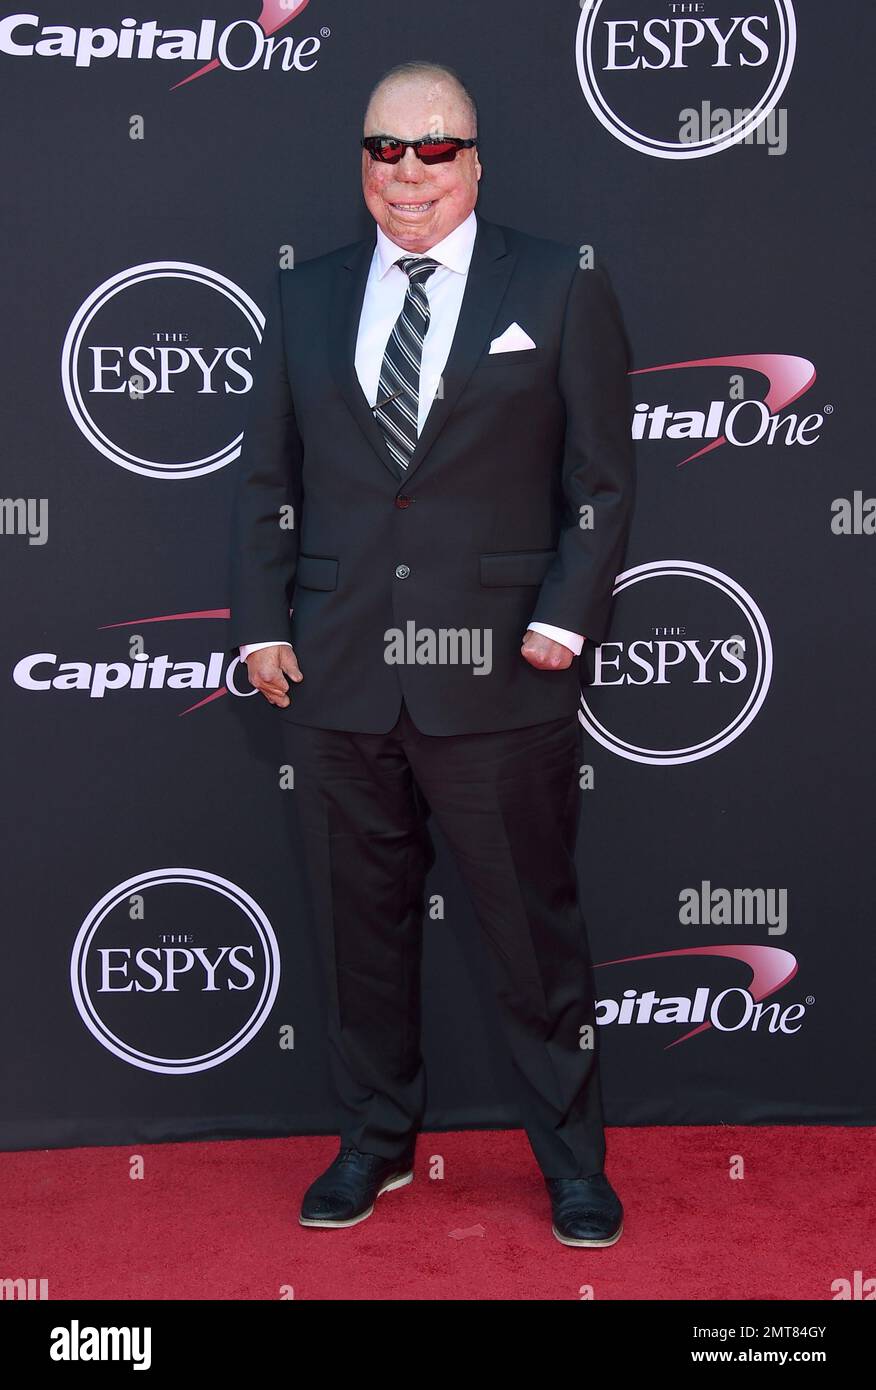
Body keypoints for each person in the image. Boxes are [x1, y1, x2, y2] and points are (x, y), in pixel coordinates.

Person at [229, 60, 636, 1246]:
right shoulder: (304, 293)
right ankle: (375, 1143)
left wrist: (565, 613)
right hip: (335, 672)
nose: (409, 172)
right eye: (386, 150)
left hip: (506, 672)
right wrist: (261, 622)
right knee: (359, 937)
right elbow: (268, 482)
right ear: (363, 161)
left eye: (435, 149)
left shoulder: (558, 283)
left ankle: (571, 1161)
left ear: (475, 159)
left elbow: (602, 479)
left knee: (532, 937)